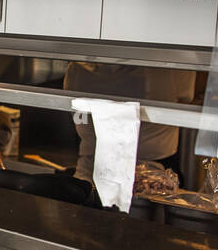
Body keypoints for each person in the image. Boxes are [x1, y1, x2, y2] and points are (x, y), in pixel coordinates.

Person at [62, 63, 197, 182]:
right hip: (151, 175)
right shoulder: (170, 65)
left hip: (90, 170)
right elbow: (185, 100)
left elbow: (79, 116)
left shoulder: (76, 67)